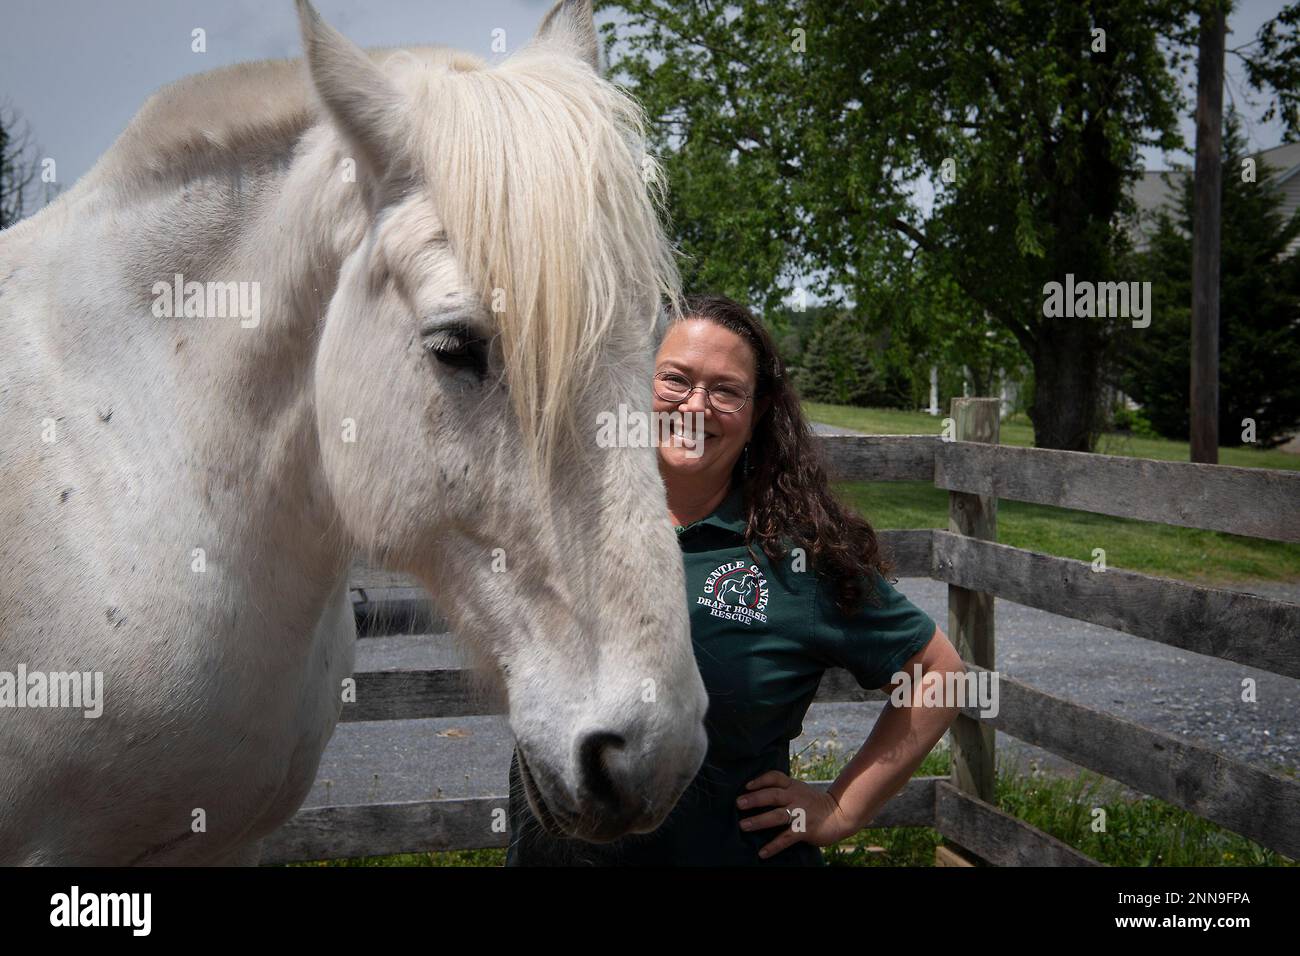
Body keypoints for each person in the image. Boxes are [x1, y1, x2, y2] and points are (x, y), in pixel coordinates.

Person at [506, 293, 966, 865]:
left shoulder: (794, 556)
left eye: (725, 391)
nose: (696, 406)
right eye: (674, 379)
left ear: (757, 412)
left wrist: (842, 808)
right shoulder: (559, 523)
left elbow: (941, 675)